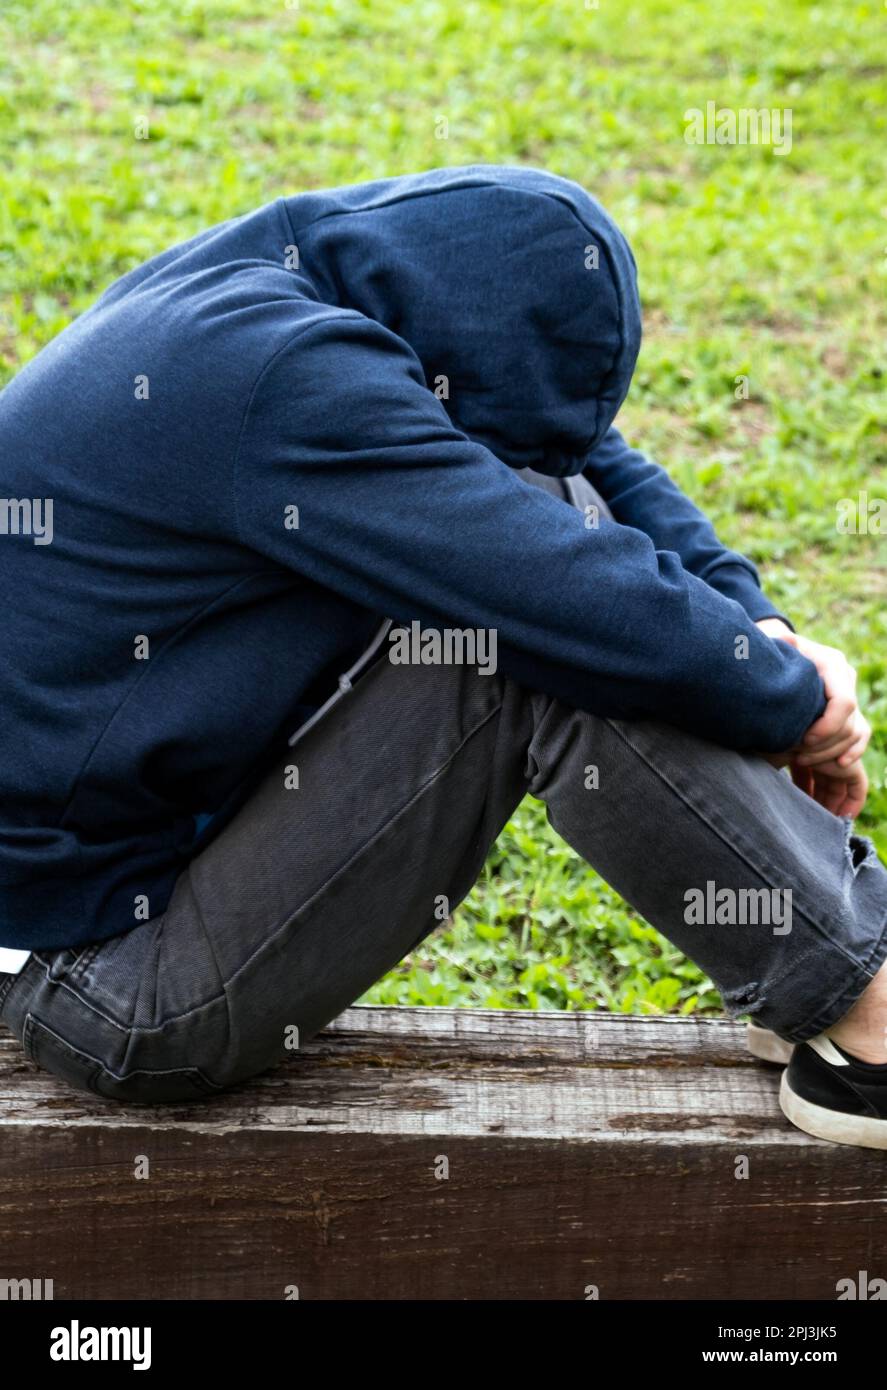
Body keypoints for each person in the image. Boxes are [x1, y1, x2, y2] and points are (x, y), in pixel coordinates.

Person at [0, 165, 884, 1147]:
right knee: (520, 640)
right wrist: (789, 699)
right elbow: (559, 591)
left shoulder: (290, 278)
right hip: (102, 983)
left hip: (133, 885)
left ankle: (836, 973)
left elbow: (591, 471)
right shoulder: (282, 382)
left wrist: (761, 631)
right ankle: (867, 1013)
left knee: (569, 571)